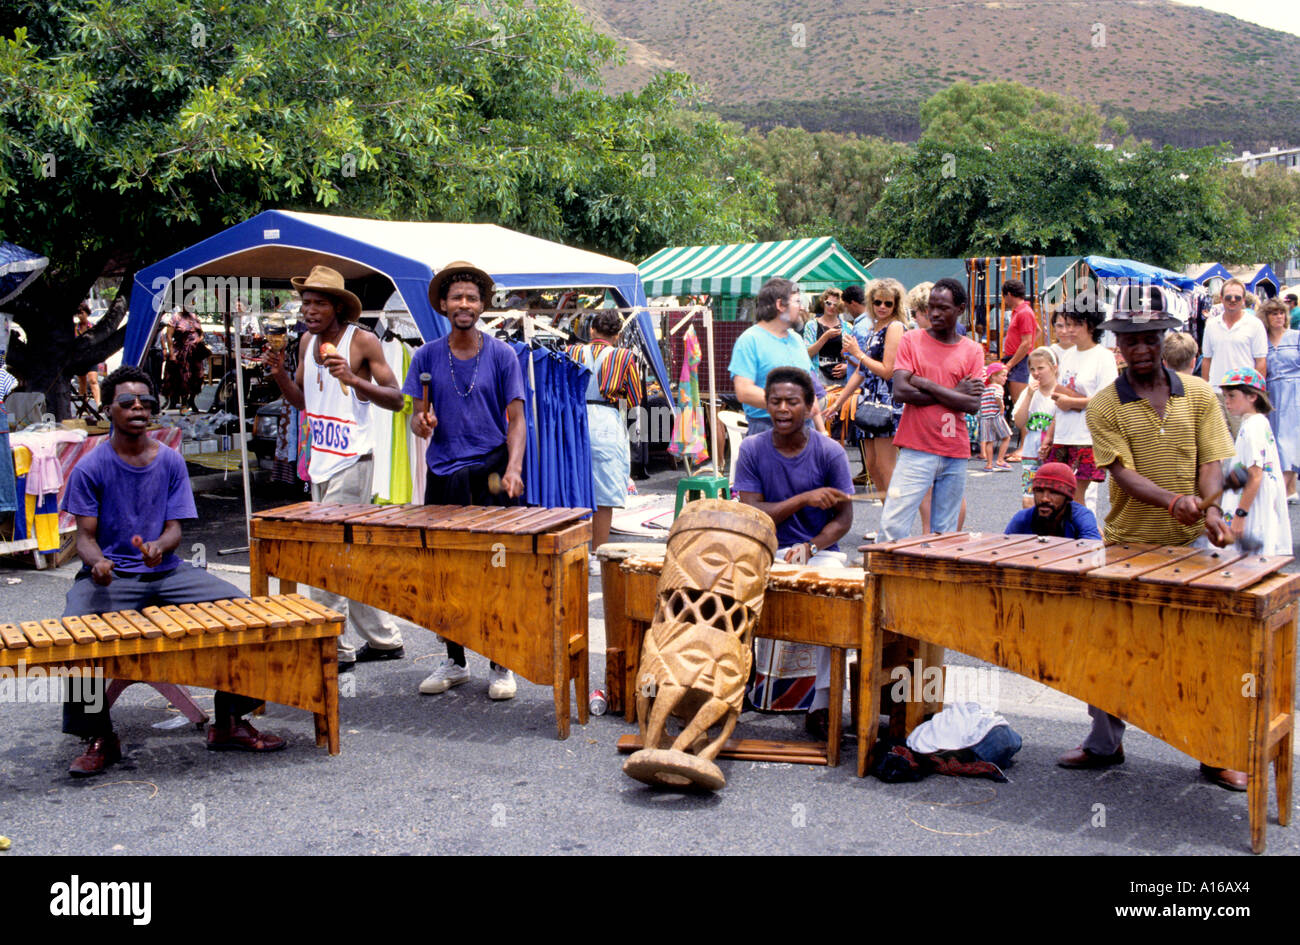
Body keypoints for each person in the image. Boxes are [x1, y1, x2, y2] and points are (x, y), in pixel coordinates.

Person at [59, 366, 285, 777]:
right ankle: (96, 736)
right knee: (76, 632)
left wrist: (159, 548)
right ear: (109, 409)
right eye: (126, 402)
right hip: (112, 577)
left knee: (247, 612)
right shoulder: (91, 468)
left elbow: (174, 529)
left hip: (166, 572)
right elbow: (85, 537)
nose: (137, 408)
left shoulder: (170, 461)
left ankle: (230, 721)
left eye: (145, 401)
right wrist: (99, 565)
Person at [1062, 289, 1244, 791]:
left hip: (1191, 549)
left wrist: (1207, 507)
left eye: (1149, 338)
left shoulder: (1201, 394)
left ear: (1165, 338)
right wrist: (1171, 500)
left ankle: (1214, 752)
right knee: (1106, 649)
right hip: (1126, 543)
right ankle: (1104, 743)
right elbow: (1120, 473)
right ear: (1116, 342)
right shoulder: (1104, 407)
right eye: (1130, 339)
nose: (1140, 348)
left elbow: (1212, 462)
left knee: (1203, 652)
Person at [265, 265, 406, 672]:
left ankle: (333, 647)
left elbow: (397, 399)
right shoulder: (307, 342)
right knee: (348, 555)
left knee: (327, 556)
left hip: (353, 461)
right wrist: (278, 377)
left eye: (318, 303)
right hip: (321, 462)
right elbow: (303, 402)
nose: (309, 310)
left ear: (338, 307)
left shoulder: (361, 341)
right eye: (306, 302)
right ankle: (384, 639)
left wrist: (353, 378)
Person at [404, 261, 527, 701]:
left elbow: (516, 419)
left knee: (497, 568)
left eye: (471, 298)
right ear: (442, 304)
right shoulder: (425, 357)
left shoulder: (502, 355)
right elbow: (418, 421)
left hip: (493, 471)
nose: (464, 304)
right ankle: (454, 661)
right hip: (444, 473)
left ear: (482, 306)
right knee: (447, 573)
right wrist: (422, 423)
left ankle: (501, 661)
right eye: (456, 297)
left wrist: (513, 468)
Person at [734, 367, 853, 738]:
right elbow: (753, 512)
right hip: (765, 549)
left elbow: (844, 518)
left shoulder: (830, 452)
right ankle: (730, 689)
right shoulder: (752, 448)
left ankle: (822, 701)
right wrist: (803, 498)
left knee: (832, 603)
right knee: (725, 597)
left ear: (809, 406)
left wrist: (812, 545)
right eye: (775, 401)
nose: (783, 409)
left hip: (818, 554)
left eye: (792, 402)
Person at [879, 278, 984, 540]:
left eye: (943, 308)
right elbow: (901, 391)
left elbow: (971, 404)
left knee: (944, 533)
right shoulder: (911, 340)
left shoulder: (972, 350)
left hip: (954, 451)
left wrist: (925, 384)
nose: (934, 313)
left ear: (960, 309)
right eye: (931, 307)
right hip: (916, 449)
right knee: (893, 525)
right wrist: (953, 393)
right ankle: (883, 579)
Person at [568, 309, 643, 555]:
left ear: (592, 330)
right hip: (606, 423)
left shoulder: (572, 352)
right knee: (603, 495)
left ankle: (575, 552)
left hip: (574, 420)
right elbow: (634, 399)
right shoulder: (624, 357)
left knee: (575, 489)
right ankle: (597, 554)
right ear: (618, 335)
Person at [825, 278, 906, 494]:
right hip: (869, 401)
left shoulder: (895, 327)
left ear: (896, 305)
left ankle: (894, 525)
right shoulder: (873, 327)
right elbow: (862, 372)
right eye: (878, 302)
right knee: (872, 467)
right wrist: (838, 404)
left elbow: (888, 370)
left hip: (886, 401)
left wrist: (857, 352)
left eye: (888, 304)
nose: (882, 307)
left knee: (885, 467)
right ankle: (888, 521)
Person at [728, 278, 827, 438]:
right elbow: (744, 392)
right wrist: (791, 404)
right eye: (797, 301)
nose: (802, 307)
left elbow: (809, 388)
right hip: (767, 430)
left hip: (805, 430)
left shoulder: (796, 340)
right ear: (780, 305)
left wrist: (822, 432)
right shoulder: (749, 340)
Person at [1045, 294, 1116, 506]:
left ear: (1091, 326)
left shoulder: (1103, 357)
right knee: (1058, 494)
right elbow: (1060, 399)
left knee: (1076, 496)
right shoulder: (1066, 355)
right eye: (1066, 324)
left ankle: (1091, 537)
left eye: (1074, 325)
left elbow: (1107, 399)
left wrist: (1072, 402)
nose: (1067, 330)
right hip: (1063, 434)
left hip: (1086, 436)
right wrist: (1050, 434)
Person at [1219, 367, 1292, 556]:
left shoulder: (1253, 427)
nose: (1226, 401)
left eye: (1232, 396)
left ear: (1253, 397)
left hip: (1253, 506)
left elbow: (1255, 475)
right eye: (1225, 396)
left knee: (1249, 560)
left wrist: (1240, 515)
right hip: (1257, 500)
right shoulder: (1257, 422)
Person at [1202, 277, 1267, 439]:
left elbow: (1261, 362)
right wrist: (1206, 390)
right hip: (1217, 392)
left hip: (1242, 394)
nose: (1233, 300)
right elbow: (1206, 360)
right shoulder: (1211, 325)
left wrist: (1254, 394)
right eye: (1228, 297)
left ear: (1243, 300)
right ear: (1221, 299)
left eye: (1237, 297)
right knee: (1218, 443)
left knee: (1244, 440)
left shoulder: (1255, 325)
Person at [1258, 298, 1300, 503]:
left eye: (1281, 313)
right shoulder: (1262, 340)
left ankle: (1283, 489)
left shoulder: (1296, 337)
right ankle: (1290, 488)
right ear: (1266, 317)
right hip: (1272, 392)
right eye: (1274, 313)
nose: (1279, 317)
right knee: (1275, 439)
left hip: (1295, 391)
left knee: (1291, 440)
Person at [1004, 462, 1101, 539]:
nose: (1044, 499)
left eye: (1054, 493)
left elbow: (1092, 550)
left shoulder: (1082, 517)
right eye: (1039, 491)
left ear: (1067, 498)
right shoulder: (1022, 518)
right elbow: (1003, 548)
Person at [1011, 347, 1058, 508]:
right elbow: (1019, 422)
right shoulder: (1029, 392)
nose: (1036, 373)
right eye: (1032, 369)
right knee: (1029, 498)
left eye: (1041, 368)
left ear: (1054, 368)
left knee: (1055, 496)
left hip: (1055, 450)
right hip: (1031, 450)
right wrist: (1029, 395)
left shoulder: (1061, 392)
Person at [999, 280, 1039, 461]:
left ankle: (1025, 448)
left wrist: (1010, 363)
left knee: (1021, 406)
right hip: (1018, 360)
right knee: (1019, 405)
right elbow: (1037, 331)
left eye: (1004, 296)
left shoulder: (1023, 312)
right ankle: (1024, 446)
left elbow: (1026, 342)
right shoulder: (1023, 312)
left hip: (1019, 362)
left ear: (1008, 294)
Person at [160, 305, 208, 413]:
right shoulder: (175, 318)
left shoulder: (194, 317)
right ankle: (183, 404)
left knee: (198, 377)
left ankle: (192, 400)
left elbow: (201, 333)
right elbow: (168, 336)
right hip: (181, 352)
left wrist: (198, 340)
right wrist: (171, 353)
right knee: (184, 378)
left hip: (195, 352)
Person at [803, 288, 850, 386]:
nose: (831, 307)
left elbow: (855, 354)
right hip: (819, 377)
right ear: (823, 303)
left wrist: (848, 367)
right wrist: (825, 337)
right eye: (828, 303)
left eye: (836, 304)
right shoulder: (811, 326)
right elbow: (807, 354)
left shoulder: (847, 327)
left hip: (842, 380)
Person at [978, 361, 1012, 471]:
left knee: (989, 441)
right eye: (1003, 375)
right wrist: (1001, 407)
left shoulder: (985, 389)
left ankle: (989, 464)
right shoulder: (998, 387)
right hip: (996, 415)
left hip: (985, 417)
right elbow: (997, 397)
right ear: (994, 376)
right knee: (1006, 437)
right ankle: (1000, 460)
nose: (1005, 378)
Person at [74, 302, 100, 407]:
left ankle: (98, 405)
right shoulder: (75, 328)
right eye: (78, 314)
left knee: (93, 381)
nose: (80, 316)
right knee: (82, 383)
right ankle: (84, 406)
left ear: (87, 313)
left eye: (82, 313)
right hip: (80, 359)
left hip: (92, 358)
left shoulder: (93, 327)